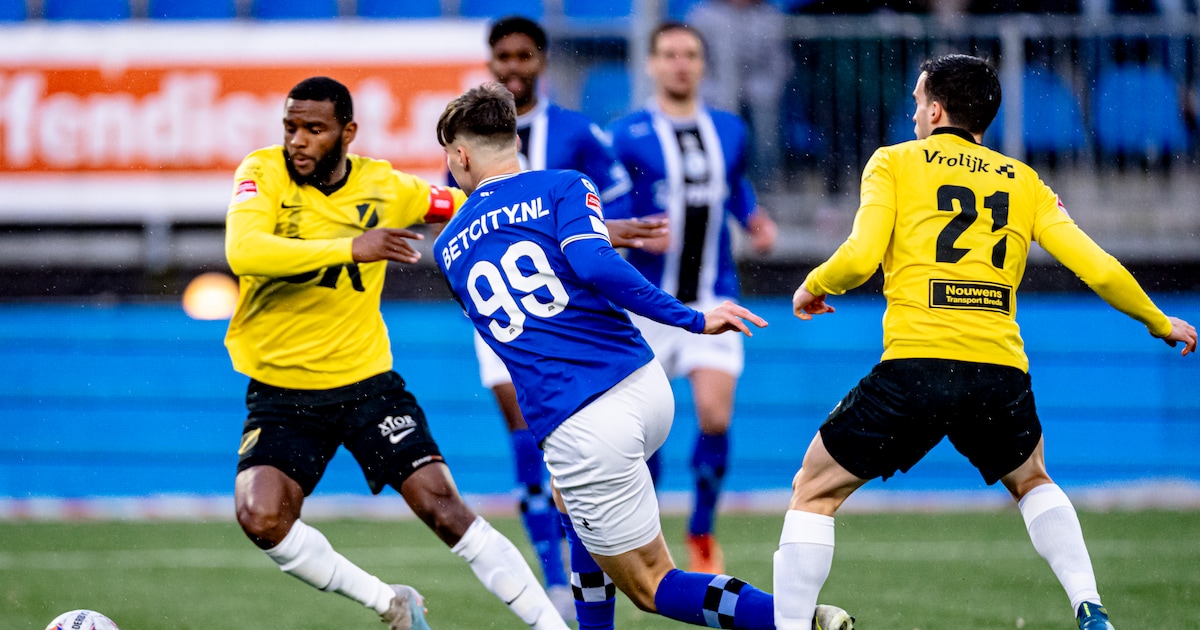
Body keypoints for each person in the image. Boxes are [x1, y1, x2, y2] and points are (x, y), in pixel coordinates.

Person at [774, 54, 1197, 630]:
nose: (915, 112)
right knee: (1032, 481)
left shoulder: (894, 162)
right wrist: (1158, 321)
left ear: (937, 109)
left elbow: (859, 258)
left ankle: (791, 626)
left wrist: (812, 285)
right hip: (998, 372)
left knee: (813, 491)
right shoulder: (1023, 181)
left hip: (916, 366)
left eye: (920, 102)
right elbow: (1096, 266)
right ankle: (1089, 605)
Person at [433, 82, 853, 630]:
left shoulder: (448, 247)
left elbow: (549, 303)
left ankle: (788, 620)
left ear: (460, 156)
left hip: (580, 423)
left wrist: (693, 320)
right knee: (569, 503)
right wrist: (692, 315)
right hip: (641, 384)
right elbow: (595, 264)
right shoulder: (565, 186)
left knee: (654, 585)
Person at [225, 76, 570, 630]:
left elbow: (475, 204)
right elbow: (243, 251)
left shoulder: (386, 187)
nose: (298, 141)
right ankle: (390, 603)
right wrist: (351, 247)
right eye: (291, 127)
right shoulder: (261, 174)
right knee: (261, 517)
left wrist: (573, 229)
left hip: (366, 385)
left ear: (347, 132)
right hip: (282, 393)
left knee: (445, 510)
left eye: (314, 129)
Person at [452, 16, 666, 620]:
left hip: (570, 301)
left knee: (585, 441)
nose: (513, 67)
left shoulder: (575, 133)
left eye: (523, 56)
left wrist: (606, 232)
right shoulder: (466, 139)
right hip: (510, 308)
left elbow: (618, 197)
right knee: (526, 431)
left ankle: (606, 534)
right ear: (491, 63)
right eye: (503, 58)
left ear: (540, 62)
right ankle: (554, 573)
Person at [607, 21, 779, 574]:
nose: (680, 63)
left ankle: (702, 530)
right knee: (646, 430)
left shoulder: (728, 129)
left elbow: (734, 185)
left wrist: (752, 218)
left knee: (713, 415)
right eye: (669, 54)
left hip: (714, 296)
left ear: (703, 65)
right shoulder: (625, 134)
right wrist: (628, 227)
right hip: (648, 307)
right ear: (652, 64)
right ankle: (648, 529)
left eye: (690, 54)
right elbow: (602, 203)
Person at [686, 0, 793, 184]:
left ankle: (765, 185)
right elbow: (697, 63)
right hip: (715, 88)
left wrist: (763, 89)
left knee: (764, 125)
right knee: (721, 119)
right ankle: (721, 183)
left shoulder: (770, 16)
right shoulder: (703, 15)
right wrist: (716, 90)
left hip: (760, 89)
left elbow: (779, 64)